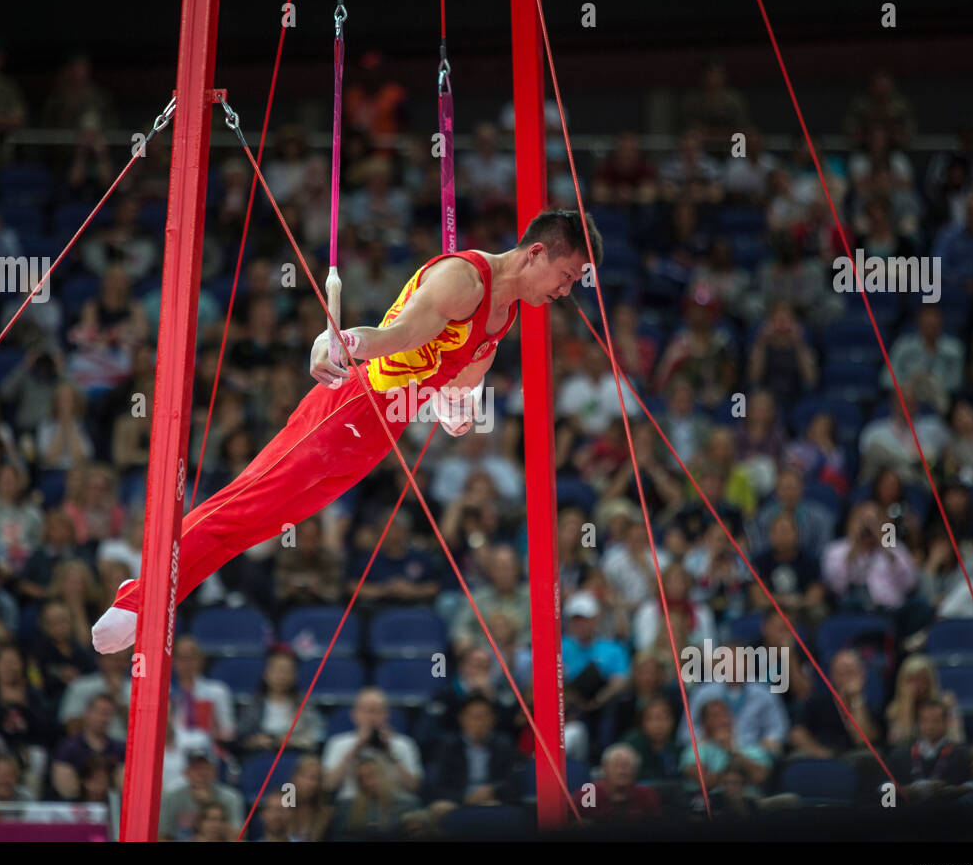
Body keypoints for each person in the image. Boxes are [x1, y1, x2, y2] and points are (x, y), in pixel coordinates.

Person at [93, 210, 603, 651]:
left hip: (377, 437)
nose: (566, 290)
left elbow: (464, 372)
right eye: (566, 274)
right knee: (244, 504)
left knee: (257, 525)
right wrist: (343, 344)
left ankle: (158, 599)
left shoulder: (506, 312)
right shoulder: (463, 281)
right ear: (536, 252)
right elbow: (399, 335)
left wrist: (459, 403)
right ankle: (139, 599)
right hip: (350, 406)